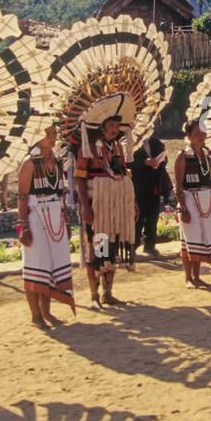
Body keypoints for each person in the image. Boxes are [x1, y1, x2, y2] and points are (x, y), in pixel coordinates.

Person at [73, 107, 138, 308]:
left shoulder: (117, 147)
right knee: (98, 247)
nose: (114, 128)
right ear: (101, 127)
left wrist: (132, 203)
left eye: (117, 125)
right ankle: (94, 294)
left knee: (113, 245)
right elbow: (79, 178)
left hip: (116, 208)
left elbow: (124, 173)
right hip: (97, 207)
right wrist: (85, 206)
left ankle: (108, 293)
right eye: (110, 125)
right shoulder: (89, 147)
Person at [18, 121, 75, 327]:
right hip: (36, 217)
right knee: (36, 265)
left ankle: (47, 312)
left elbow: (61, 193)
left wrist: (66, 221)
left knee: (50, 266)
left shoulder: (58, 161)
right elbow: (22, 197)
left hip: (55, 217)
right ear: (36, 136)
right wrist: (23, 227)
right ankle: (36, 316)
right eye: (48, 134)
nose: (53, 137)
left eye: (54, 133)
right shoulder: (29, 163)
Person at [175, 118, 211, 288]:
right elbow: (178, 186)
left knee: (201, 239)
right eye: (196, 134)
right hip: (189, 200)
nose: (200, 136)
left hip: (205, 200)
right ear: (188, 135)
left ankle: (197, 276)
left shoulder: (206, 155)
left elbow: (209, 180)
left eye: (202, 133)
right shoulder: (183, 156)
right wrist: (183, 208)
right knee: (189, 240)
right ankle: (188, 278)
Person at [130, 134, 168, 258]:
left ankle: (149, 246)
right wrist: (144, 162)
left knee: (152, 218)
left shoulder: (155, 142)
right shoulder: (133, 145)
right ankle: (133, 246)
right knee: (138, 218)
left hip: (153, 188)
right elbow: (128, 163)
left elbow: (164, 159)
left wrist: (160, 160)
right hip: (138, 188)